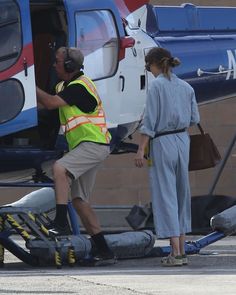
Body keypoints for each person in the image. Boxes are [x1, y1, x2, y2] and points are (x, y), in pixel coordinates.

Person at [36, 46, 115, 265]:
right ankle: (104, 250)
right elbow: (49, 108)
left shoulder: (81, 86)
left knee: (59, 168)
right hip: (84, 147)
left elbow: (50, 102)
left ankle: (61, 221)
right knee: (80, 201)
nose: (54, 65)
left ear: (69, 65)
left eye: (58, 62)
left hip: (94, 144)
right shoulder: (63, 85)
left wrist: (27, 84)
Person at [135, 47, 200, 267]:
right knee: (182, 194)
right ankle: (182, 249)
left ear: (153, 64)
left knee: (165, 194)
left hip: (162, 142)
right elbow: (194, 118)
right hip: (183, 140)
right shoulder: (187, 87)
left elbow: (150, 121)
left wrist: (141, 149)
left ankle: (176, 252)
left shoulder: (155, 86)